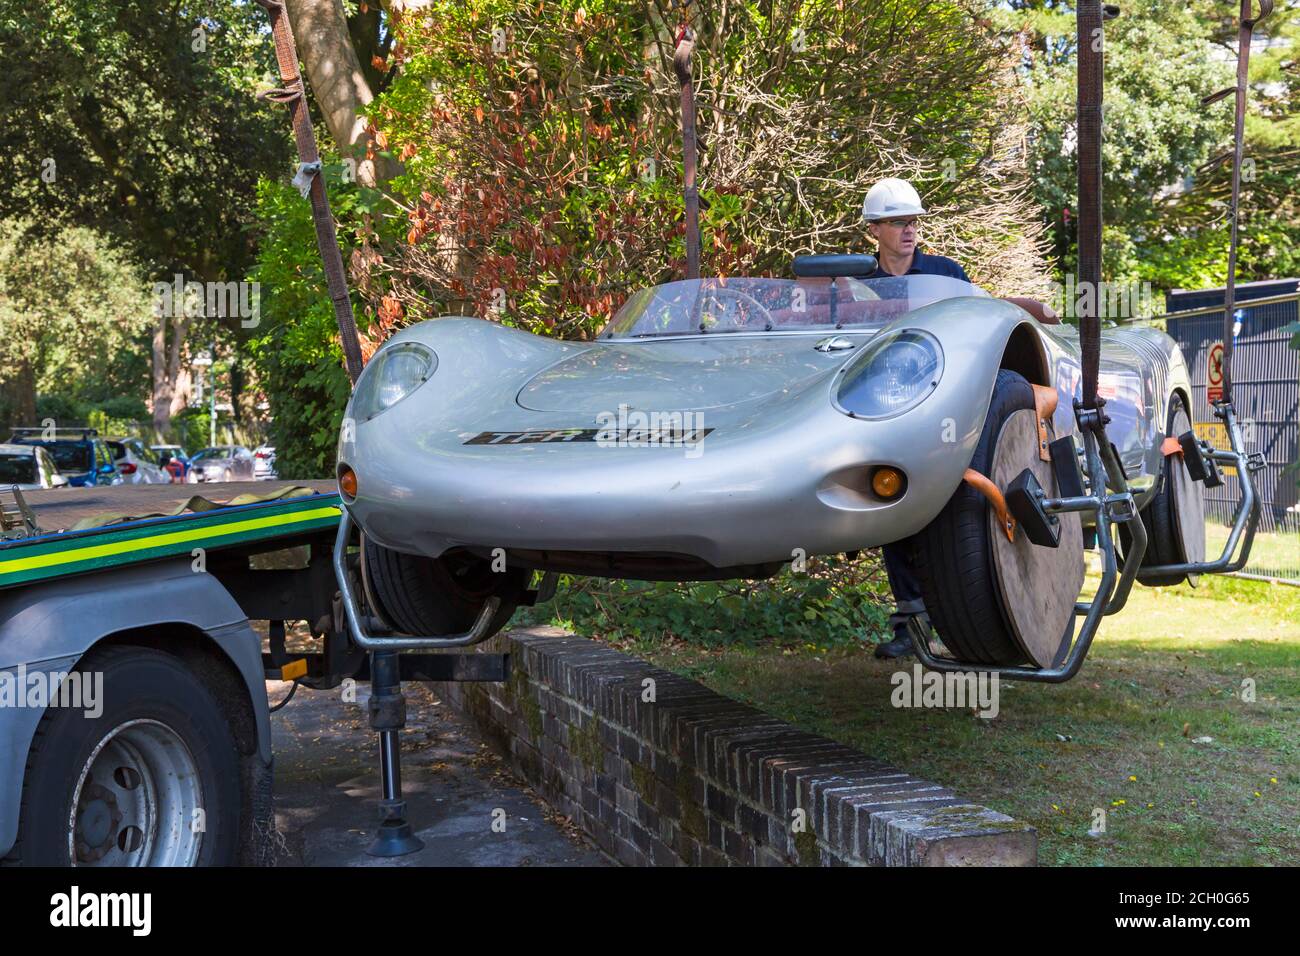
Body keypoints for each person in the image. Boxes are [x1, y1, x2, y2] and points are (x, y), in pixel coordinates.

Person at [859, 177, 968, 658]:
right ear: (874, 230)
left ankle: (967, 625)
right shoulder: (856, 284)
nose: (909, 230)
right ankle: (912, 628)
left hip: (941, 404)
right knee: (895, 509)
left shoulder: (945, 273)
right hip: (883, 409)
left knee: (955, 512)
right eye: (899, 222)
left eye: (914, 222)